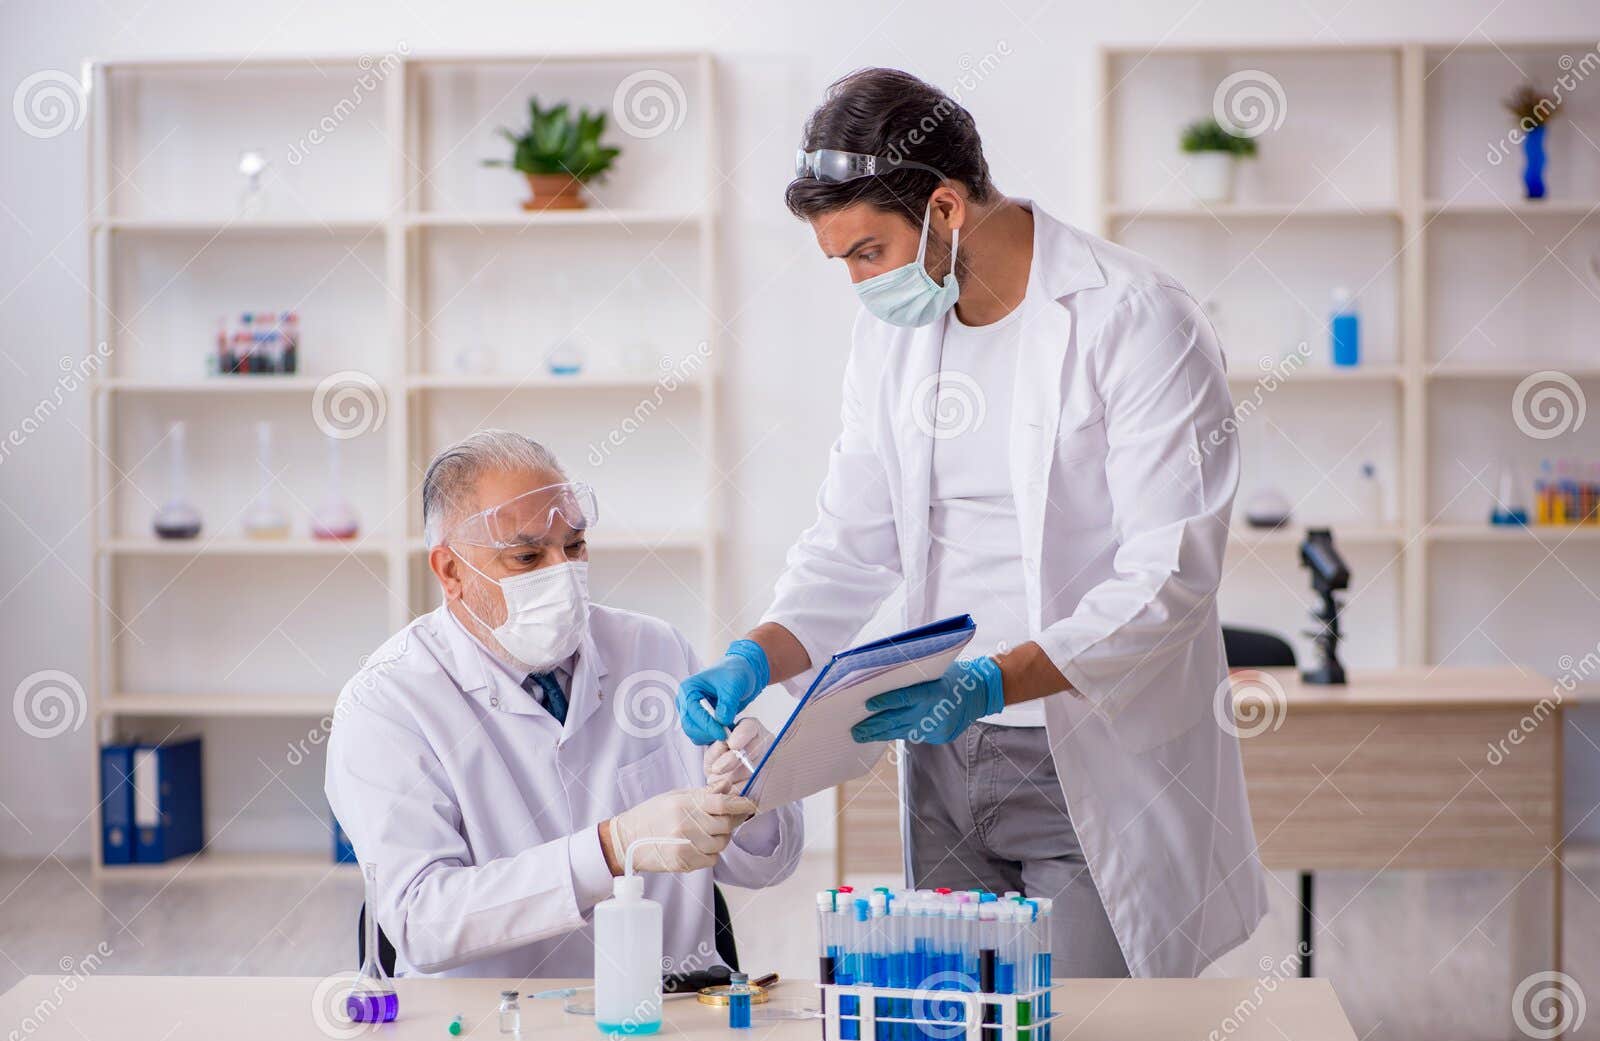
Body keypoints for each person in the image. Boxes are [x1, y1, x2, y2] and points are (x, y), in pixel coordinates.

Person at [677, 68, 1265, 979]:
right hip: (938, 753)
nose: (858, 283)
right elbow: (852, 536)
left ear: (946, 208)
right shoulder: (895, 334)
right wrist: (758, 654)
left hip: (1083, 749)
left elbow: (1170, 574)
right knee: (965, 1026)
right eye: (842, 261)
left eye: (868, 252)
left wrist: (993, 680)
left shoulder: (1136, 318)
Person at [326, 430, 801, 978]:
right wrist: (610, 849)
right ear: (451, 572)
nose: (562, 574)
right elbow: (420, 922)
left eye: (573, 547)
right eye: (527, 557)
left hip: (669, 1020)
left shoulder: (655, 649)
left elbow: (767, 866)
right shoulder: (387, 703)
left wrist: (755, 791)